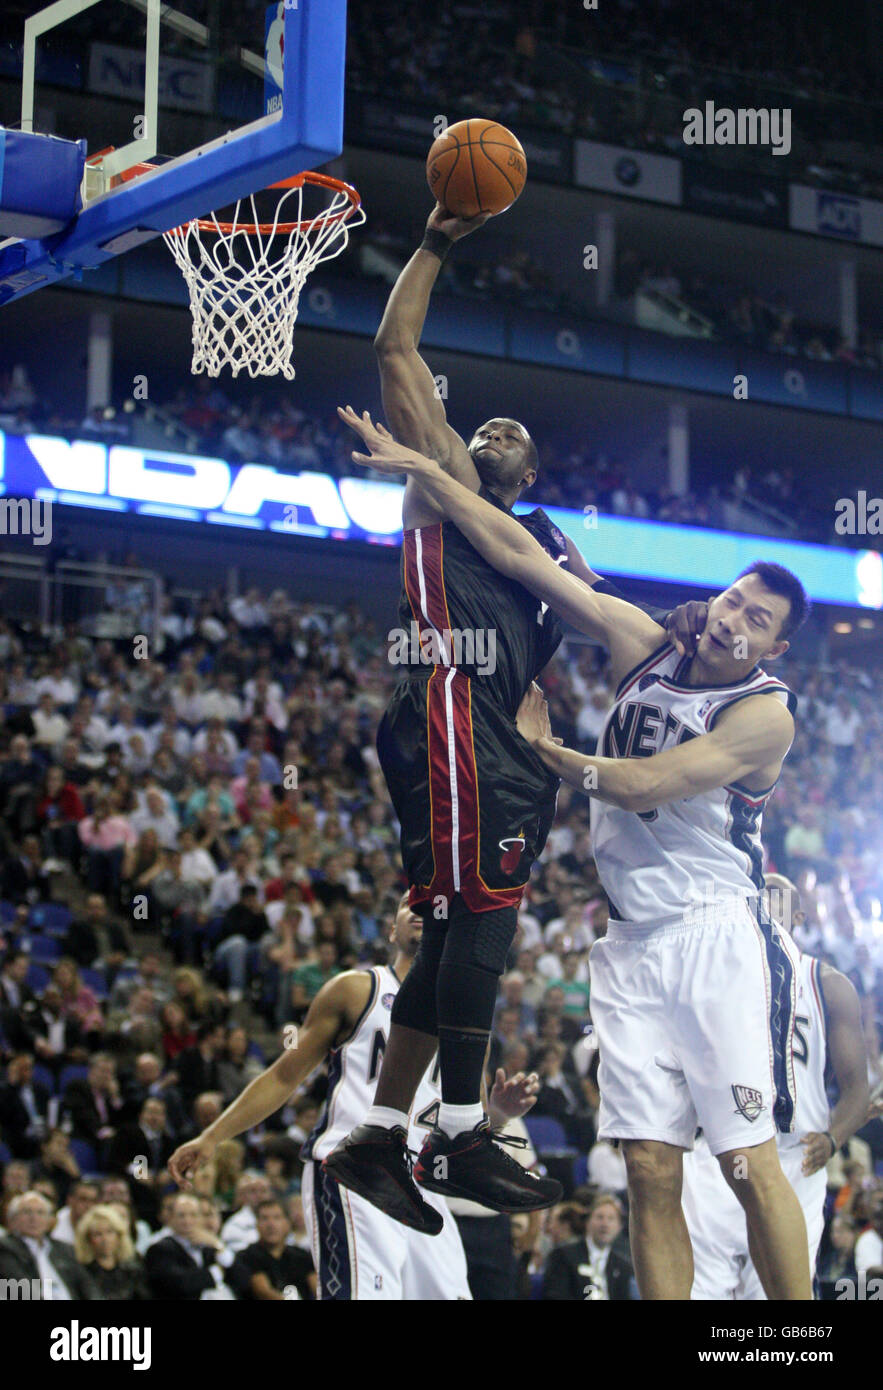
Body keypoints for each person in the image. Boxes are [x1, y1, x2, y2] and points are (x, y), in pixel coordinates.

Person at [339, 409, 814, 1300]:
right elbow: (521, 558)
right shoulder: (643, 641)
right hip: (630, 941)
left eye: (757, 618)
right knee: (646, 1164)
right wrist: (426, 474)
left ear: (774, 645)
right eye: (732, 599)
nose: (735, 620)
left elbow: (641, 784)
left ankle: (798, 1336)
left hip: (718, 935)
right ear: (713, 599)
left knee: (746, 1158)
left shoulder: (764, 712)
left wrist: (546, 754)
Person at [321, 205, 703, 1229]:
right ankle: (456, 1139)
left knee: (455, 930)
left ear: (532, 476)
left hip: (503, 744)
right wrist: (438, 240)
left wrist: (680, 624)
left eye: (510, 437)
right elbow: (393, 345)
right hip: (450, 710)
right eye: (481, 426)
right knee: (482, 915)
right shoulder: (438, 476)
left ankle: (375, 1135)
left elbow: (625, 622)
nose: (489, 435)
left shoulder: (544, 548)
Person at [168, 893, 539, 1299]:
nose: (420, 910)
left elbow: (464, 1131)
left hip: (422, 1186)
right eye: (408, 904)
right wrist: (212, 1137)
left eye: (433, 905)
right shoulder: (356, 988)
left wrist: (499, 1113)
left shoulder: (466, 1017)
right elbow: (282, 1077)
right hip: (354, 1171)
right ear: (390, 928)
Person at [681, 875, 870, 1298]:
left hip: (795, 1158)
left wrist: (833, 1138)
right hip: (718, 1155)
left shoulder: (828, 985)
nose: (763, 906)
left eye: (775, 900)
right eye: (755, 899)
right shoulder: (712, 973)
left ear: (800, 918)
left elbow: (858, 1089)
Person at [0, 1190, 98, 1298]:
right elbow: (22, 1290)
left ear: (49, 1220)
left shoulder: (65, 1249)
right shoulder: (5, 1248)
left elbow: (87, 1285)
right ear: (13, 1219)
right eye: (27, 1212)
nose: (34, 1218)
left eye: (40, 1213)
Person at [541, 1193, 634, 1301]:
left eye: (611, 1219)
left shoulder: (623, 1266)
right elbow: (556, 1295)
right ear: (588, 1221)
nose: (605, 1224)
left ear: (619, 1227)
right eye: (600, 1217)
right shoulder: (563, 1256)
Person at [228, 1198, 316, 1301]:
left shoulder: (301, 1255)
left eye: (277, 1218)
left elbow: (318, 1288)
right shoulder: (246, 1257)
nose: (271, 1224)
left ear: (287, 1224)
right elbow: (264, 1293)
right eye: (264, 1218)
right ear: (257, 1225)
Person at [75, 1202, 146, 1300]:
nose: (105, 1239)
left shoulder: (133, 1269)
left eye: (110, 1232)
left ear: (119, 1235)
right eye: (98, 1234)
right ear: (88, 1240)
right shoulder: (81, 1272)